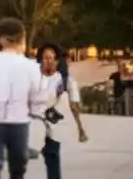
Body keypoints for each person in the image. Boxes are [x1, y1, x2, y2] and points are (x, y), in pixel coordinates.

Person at [0, 18, 48, 179]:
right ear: (22, 38)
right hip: (19, 120)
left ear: (0, 39)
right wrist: (36, 111)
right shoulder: (31, 66)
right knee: (19, 163)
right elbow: (38, 94)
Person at [34, 43, 88, 179]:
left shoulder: (66, 81)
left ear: (57, 61)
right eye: (45, 58)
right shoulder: (33, 79)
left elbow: (74, 105)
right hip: (34, 123)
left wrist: (80, 128)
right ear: (40, 60)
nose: (49, 61)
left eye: (52, 58)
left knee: (52, 154)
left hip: (54, 123)